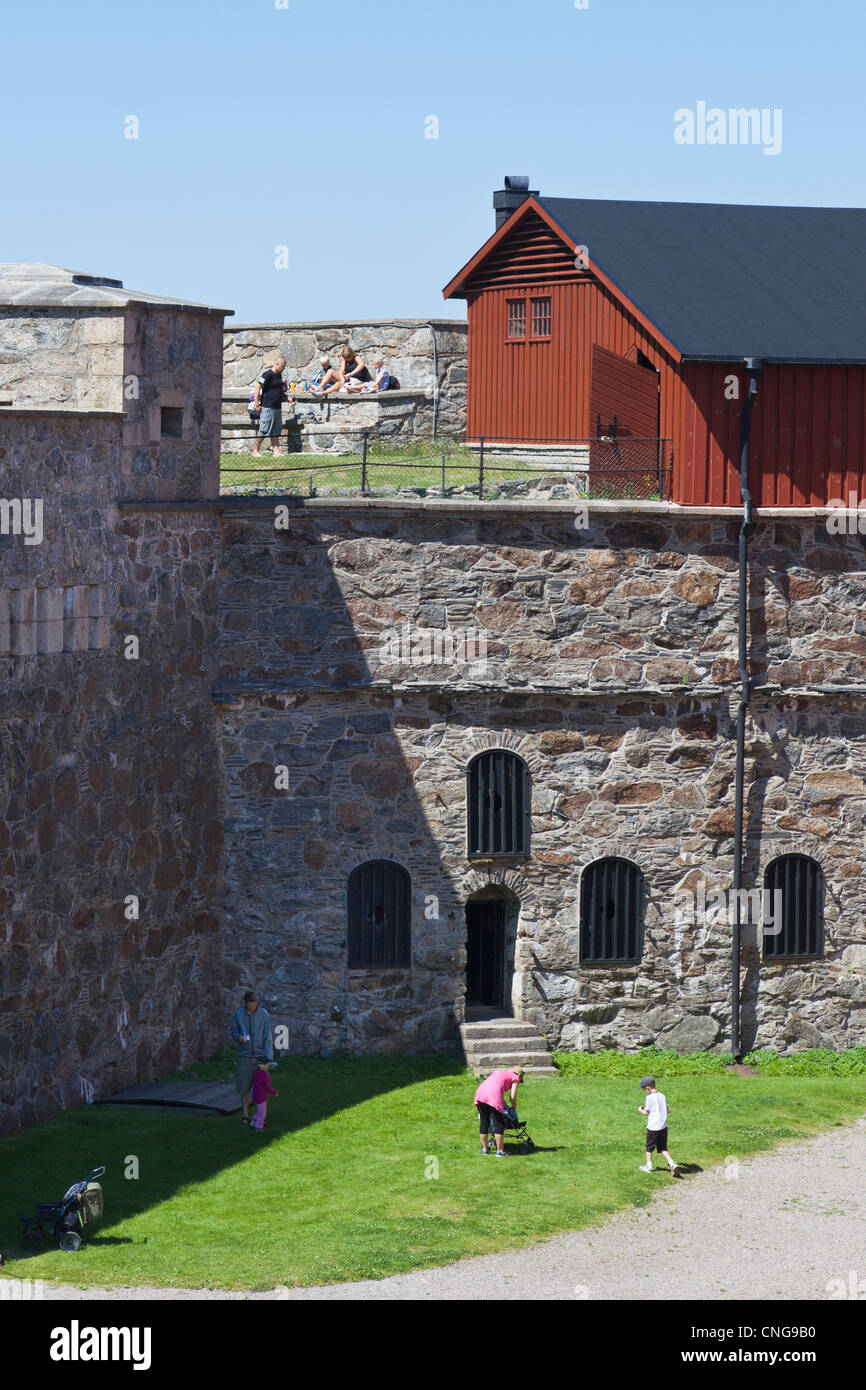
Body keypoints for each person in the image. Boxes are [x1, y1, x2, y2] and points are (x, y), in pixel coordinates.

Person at [231, 990, 273, 1125]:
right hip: (245, 1057)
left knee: (261, 1089)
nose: (253, 1007)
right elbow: (234, 1032)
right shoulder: (238, 1015)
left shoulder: (264, 1014)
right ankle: (245, 1116)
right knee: (244, 1089)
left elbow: (268, 1037)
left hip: (260, 1057)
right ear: (246, 1003)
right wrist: (239, 1038)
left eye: (255, 1004)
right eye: (250, 1005)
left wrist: (268, 1058)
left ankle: (260, 1116)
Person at [473, 1066, 524, 1155]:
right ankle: (500, 1151)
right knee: (499, 1123)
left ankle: (485, 1149)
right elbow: (512, 1097)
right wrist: (513, 1106)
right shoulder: (515, 1078)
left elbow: (496, 1089)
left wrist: (505, 1105)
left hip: (481, 1093)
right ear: (519, 1076)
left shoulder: (500, 1072)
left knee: (484, 1122)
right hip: (493, 1095)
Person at [638, 1075, 680, 1176]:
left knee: (649, 1148)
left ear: (648, 1087)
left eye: (644, 1089)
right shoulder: (662, 1095)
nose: (644, 1091)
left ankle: (649, 1167)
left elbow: (646, 1112)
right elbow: (668, 1110)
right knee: (663, 1148)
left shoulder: (649, 1097)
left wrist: (640, 1109)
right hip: (663, 1126)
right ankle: (672, 1164)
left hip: (653, 1127)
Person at [251, 355, 287, 457]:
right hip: (267, 407)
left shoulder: (279, 376)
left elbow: (278, 391)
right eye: (282, 366)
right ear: (276, 364)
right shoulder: (267, 375)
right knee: (263, 430)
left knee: (276, 430)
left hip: (277, 407)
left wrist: (286, 397)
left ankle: (276, 451)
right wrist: (257, 404)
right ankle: (255, 450)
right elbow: (257, 389)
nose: (283, 369)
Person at [250, 1058, 279, 1132]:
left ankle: (254, 1121)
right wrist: (274, 1092)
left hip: (255, 1095)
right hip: (261, 1096)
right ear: (264, 1066)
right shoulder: (265, 1076)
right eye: (268, 1064)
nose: (269, 1066)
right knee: (262, 1113)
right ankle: (258, 1127)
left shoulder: (256, 1073)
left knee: (259, 1110)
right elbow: (268, 1087)